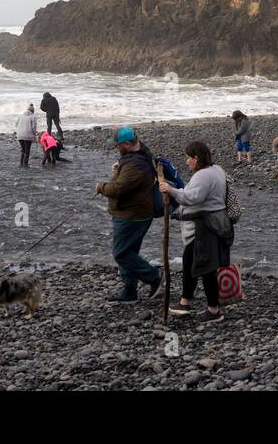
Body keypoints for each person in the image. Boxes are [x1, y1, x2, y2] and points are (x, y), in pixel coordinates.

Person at [160, 140, 232, 323]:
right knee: (189, 261)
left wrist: (171, 190)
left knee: (206, 268)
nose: (186, 162)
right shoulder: (216, 170)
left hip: (206, 227)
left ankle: (214, 311)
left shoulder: (203, 175)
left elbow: (193, 198)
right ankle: (185, 302)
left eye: (188, 158)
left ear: (196, 158)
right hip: (214, 224)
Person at [94, 126, 161, 304]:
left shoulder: (135, 164)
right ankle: (129, 291)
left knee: (121, 254)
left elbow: (117, 189)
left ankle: (154, 277)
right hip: (135, 212)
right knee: (130, 251)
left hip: (132, 215)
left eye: (117, 146)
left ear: (126, 144)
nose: (116, 149)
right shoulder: (140, 153)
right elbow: (126, 176)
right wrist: (119, 167)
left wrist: (101, 187)